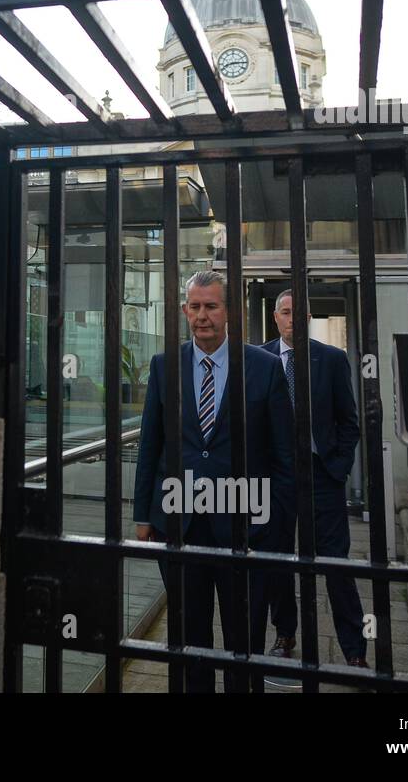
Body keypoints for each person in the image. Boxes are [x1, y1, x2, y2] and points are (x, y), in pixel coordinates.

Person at [133, 270, 295, 692]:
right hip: (179, 524)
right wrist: (142, 516)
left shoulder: (265, 368)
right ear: (185, 310)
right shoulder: (164, 365)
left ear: (230, 312)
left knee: (244, 643)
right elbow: (150, 445)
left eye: (211, 306)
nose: (201, 315)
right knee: (190, 643)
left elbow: (284, 457)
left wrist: (275, 524)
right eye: (194, 306)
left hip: (246, 528)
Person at [259, 290, 367, 669]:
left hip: (322, 476)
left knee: (336, 564)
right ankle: (284, 634)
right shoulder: (260, 358)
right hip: (276, 479)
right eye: (285, 312)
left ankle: (354, 650)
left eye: (298, 313)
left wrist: (337, 468)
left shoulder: (332, 360)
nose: (291, 319)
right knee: (277, 561)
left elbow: (349, 422)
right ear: (276, 317)